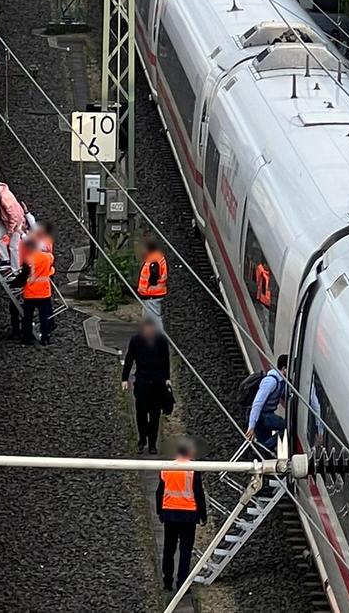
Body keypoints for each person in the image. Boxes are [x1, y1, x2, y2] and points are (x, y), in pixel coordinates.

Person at [157, 438, 206, 592]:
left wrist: (160, 511)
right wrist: (203, 515)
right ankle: (182, 584)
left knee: (169, 549)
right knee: (185, 551)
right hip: (188, 514)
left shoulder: (166, 468)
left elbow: (159, 491)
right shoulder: (192, 469)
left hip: (170, 513)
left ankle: (167, 581)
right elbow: (198, 493)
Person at [121, 319, 172, 454]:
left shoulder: (161, 340)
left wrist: (167, 378)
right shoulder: (136, 341)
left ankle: (152, 444)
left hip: (157, 382)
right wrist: (124, 378)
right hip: (142, 380)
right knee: (141, 414)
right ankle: (142, 439)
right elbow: (129, 359)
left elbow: (165, 359)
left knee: (155, 415)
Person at [10, 237, 55, 344]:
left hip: (30, 293)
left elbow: (23, 276)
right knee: (44, 316)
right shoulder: (48, 257)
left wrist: (13, 284)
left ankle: (27, 338)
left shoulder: (29, 260)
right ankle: (45, 338)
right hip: (44, 292)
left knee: (28, 317)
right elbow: (51, 270)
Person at [245, 355, 288, 452]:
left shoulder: (282, 382)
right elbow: (257, 403)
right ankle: (263, 448)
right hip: (262, 415)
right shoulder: (270, 381)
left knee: (263, 440)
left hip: (266, 414)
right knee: (286, 427)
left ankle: (263, 449)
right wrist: (251, 426)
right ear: (284, 369)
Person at [136, 236, 168, 325]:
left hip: (152, 294)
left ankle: (159, 333)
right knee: (148, 319)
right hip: (152, 294)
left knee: (154, 318)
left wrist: (150, 286)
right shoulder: (156, 257)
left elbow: (154, 274)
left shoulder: (153, 260)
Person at [0, 182, 27, 266]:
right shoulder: (5, 192)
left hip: (16, 224)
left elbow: (13, 216)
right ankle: (6, 260)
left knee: (13, 246)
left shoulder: (3, 198)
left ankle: (15, 268)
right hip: (10, 221)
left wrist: (10, 231)